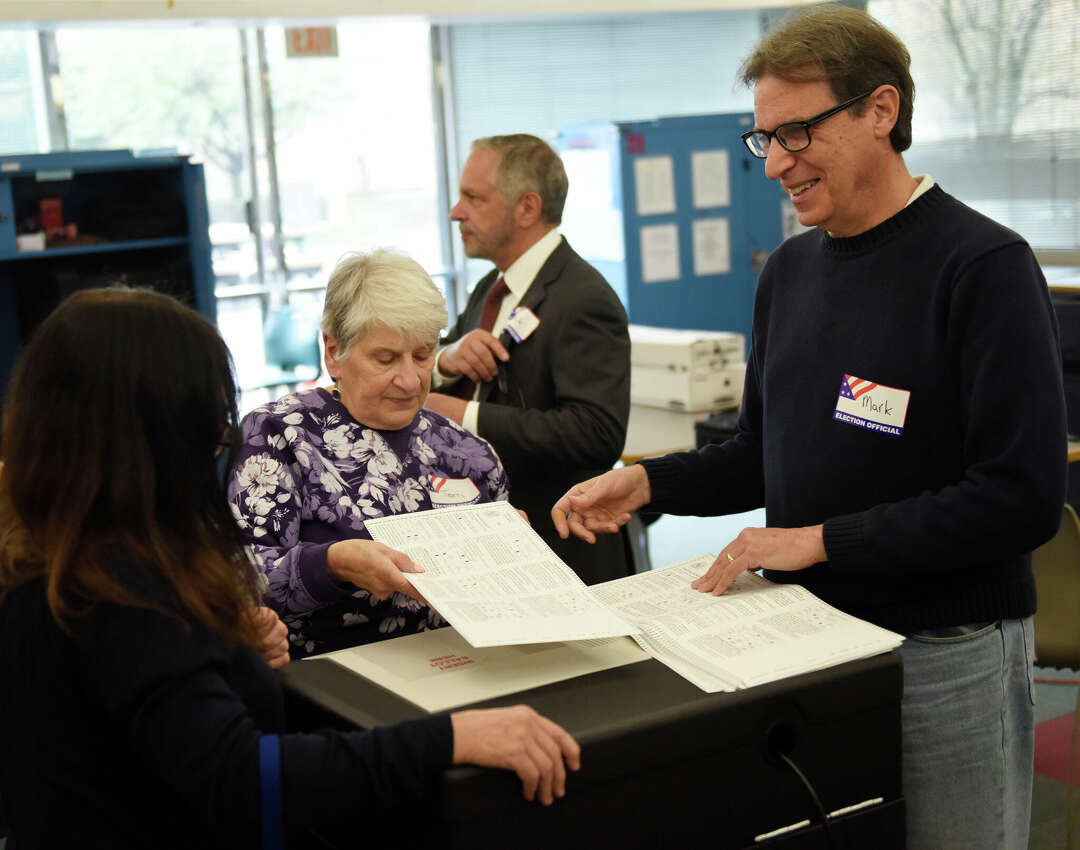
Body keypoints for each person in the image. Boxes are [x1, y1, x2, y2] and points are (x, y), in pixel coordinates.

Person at [552, 6, 1065, 849]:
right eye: (763, 139)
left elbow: (1019, 500)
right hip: (807, 644)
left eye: (797, 132)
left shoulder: (983, 267)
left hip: (944, 653)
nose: (776, 165)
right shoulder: (789, 272)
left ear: (881, 111)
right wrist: (651, 482)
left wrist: (820, 540)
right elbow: (764, 452)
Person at [0, 287, 580, 850]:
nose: (219, 438)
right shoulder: (117, 587)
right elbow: (245, 778)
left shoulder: (64, 556)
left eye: (423, 355)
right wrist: (451, 737)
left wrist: (227, 645)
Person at [230, 249, 510, 658]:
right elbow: (245, 584)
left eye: (422, 354)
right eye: (385, 358)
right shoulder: (278, 436)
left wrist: (511, 547)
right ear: (332, 351)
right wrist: (332, 564)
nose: (411, 378)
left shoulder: (467, 452)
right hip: (335, 681)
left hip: (468, 664)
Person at [424, 134, 632, 586]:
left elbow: (596, 433)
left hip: (560, 550)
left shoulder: (583, 297)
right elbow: (433, 379)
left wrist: (466, 416)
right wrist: (447, 358)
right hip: (494, 541)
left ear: (527, 209)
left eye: (473, 198)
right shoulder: (489, 289)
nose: (456, 212)